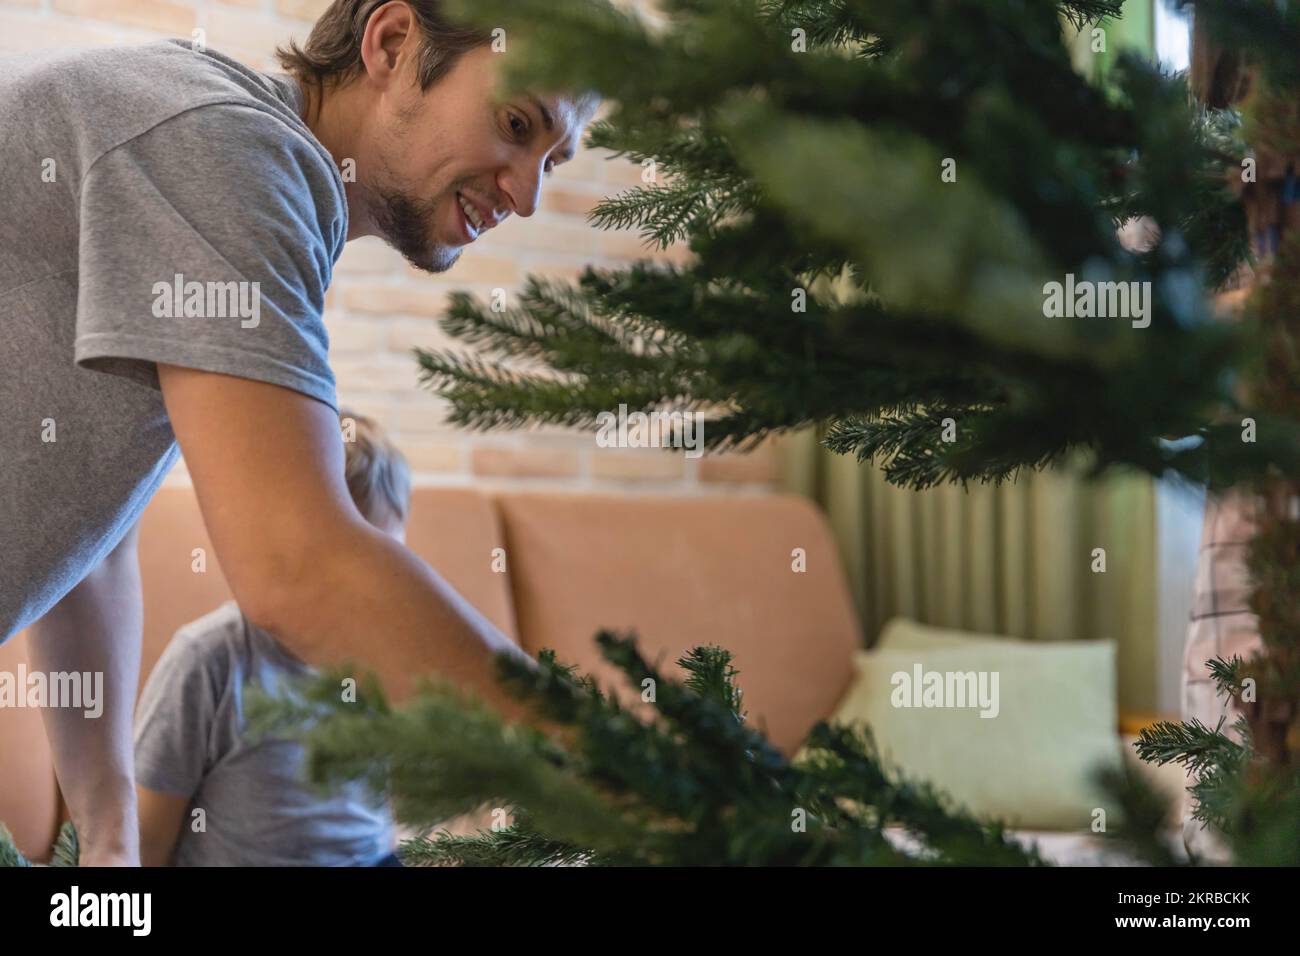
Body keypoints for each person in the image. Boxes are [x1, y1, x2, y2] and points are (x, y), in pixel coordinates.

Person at [0, 1, 598, 866]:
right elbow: (301, 567)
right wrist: (623, 772)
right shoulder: (226, 153)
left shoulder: (229, 156)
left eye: (553, 161)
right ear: (394, 43)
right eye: (515, 125)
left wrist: (109, 839)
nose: (530, 194)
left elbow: (92, 536)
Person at [135, 411, 410, 867]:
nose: (362, 589)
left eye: (385, 563)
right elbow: (147, 839)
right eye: (339, 563)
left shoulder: (391, 654)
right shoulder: (209, 659)